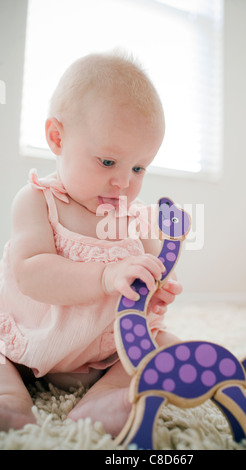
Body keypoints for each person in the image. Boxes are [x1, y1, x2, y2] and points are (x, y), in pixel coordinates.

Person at [0, 53, 182, 436]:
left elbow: (158, 271)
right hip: (26, 341)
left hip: (106, 352)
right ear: (57, 138)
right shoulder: (37, 201)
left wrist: (160, 287)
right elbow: (31, 274)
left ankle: (108, 395)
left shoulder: (137, 217)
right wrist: (105, 275)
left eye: (138, 168)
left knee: (169, 346)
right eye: (107, 162)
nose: (123, 183)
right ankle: (10, 399)